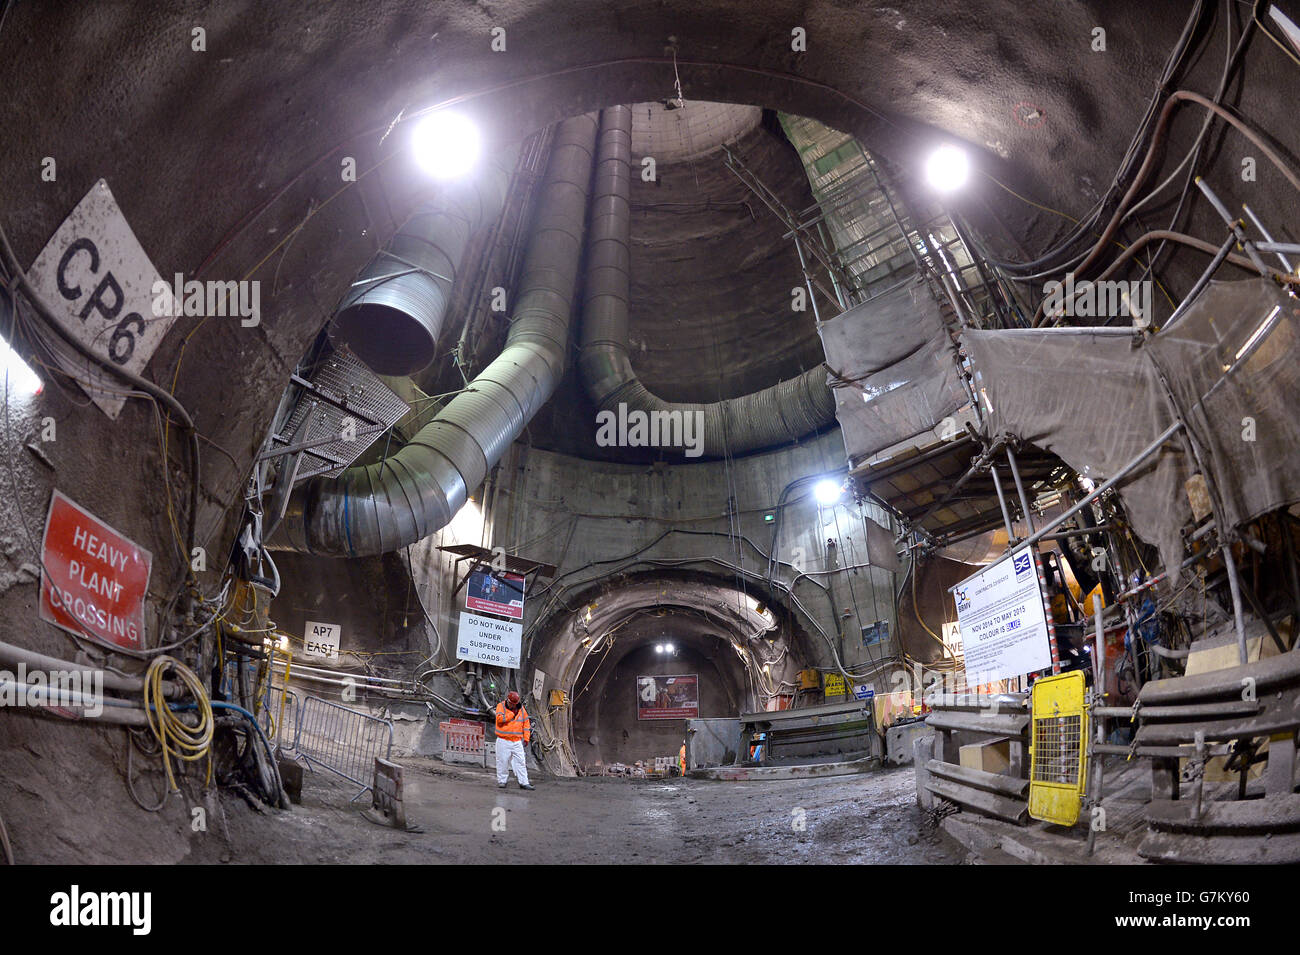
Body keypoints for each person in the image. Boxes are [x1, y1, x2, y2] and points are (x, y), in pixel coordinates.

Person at [494, 691, 534, 790]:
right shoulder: (501, 706)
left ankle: (524, 782)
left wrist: (526, 738)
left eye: (514, 704)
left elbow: (526, 724)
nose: (512, 705)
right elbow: (499, 719)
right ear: (508, 700)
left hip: (516, 741)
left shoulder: (521, 709)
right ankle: (502, 781)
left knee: (521, 762)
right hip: (503, 740)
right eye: (511, 703)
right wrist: (511, 715)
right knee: (502, 761)